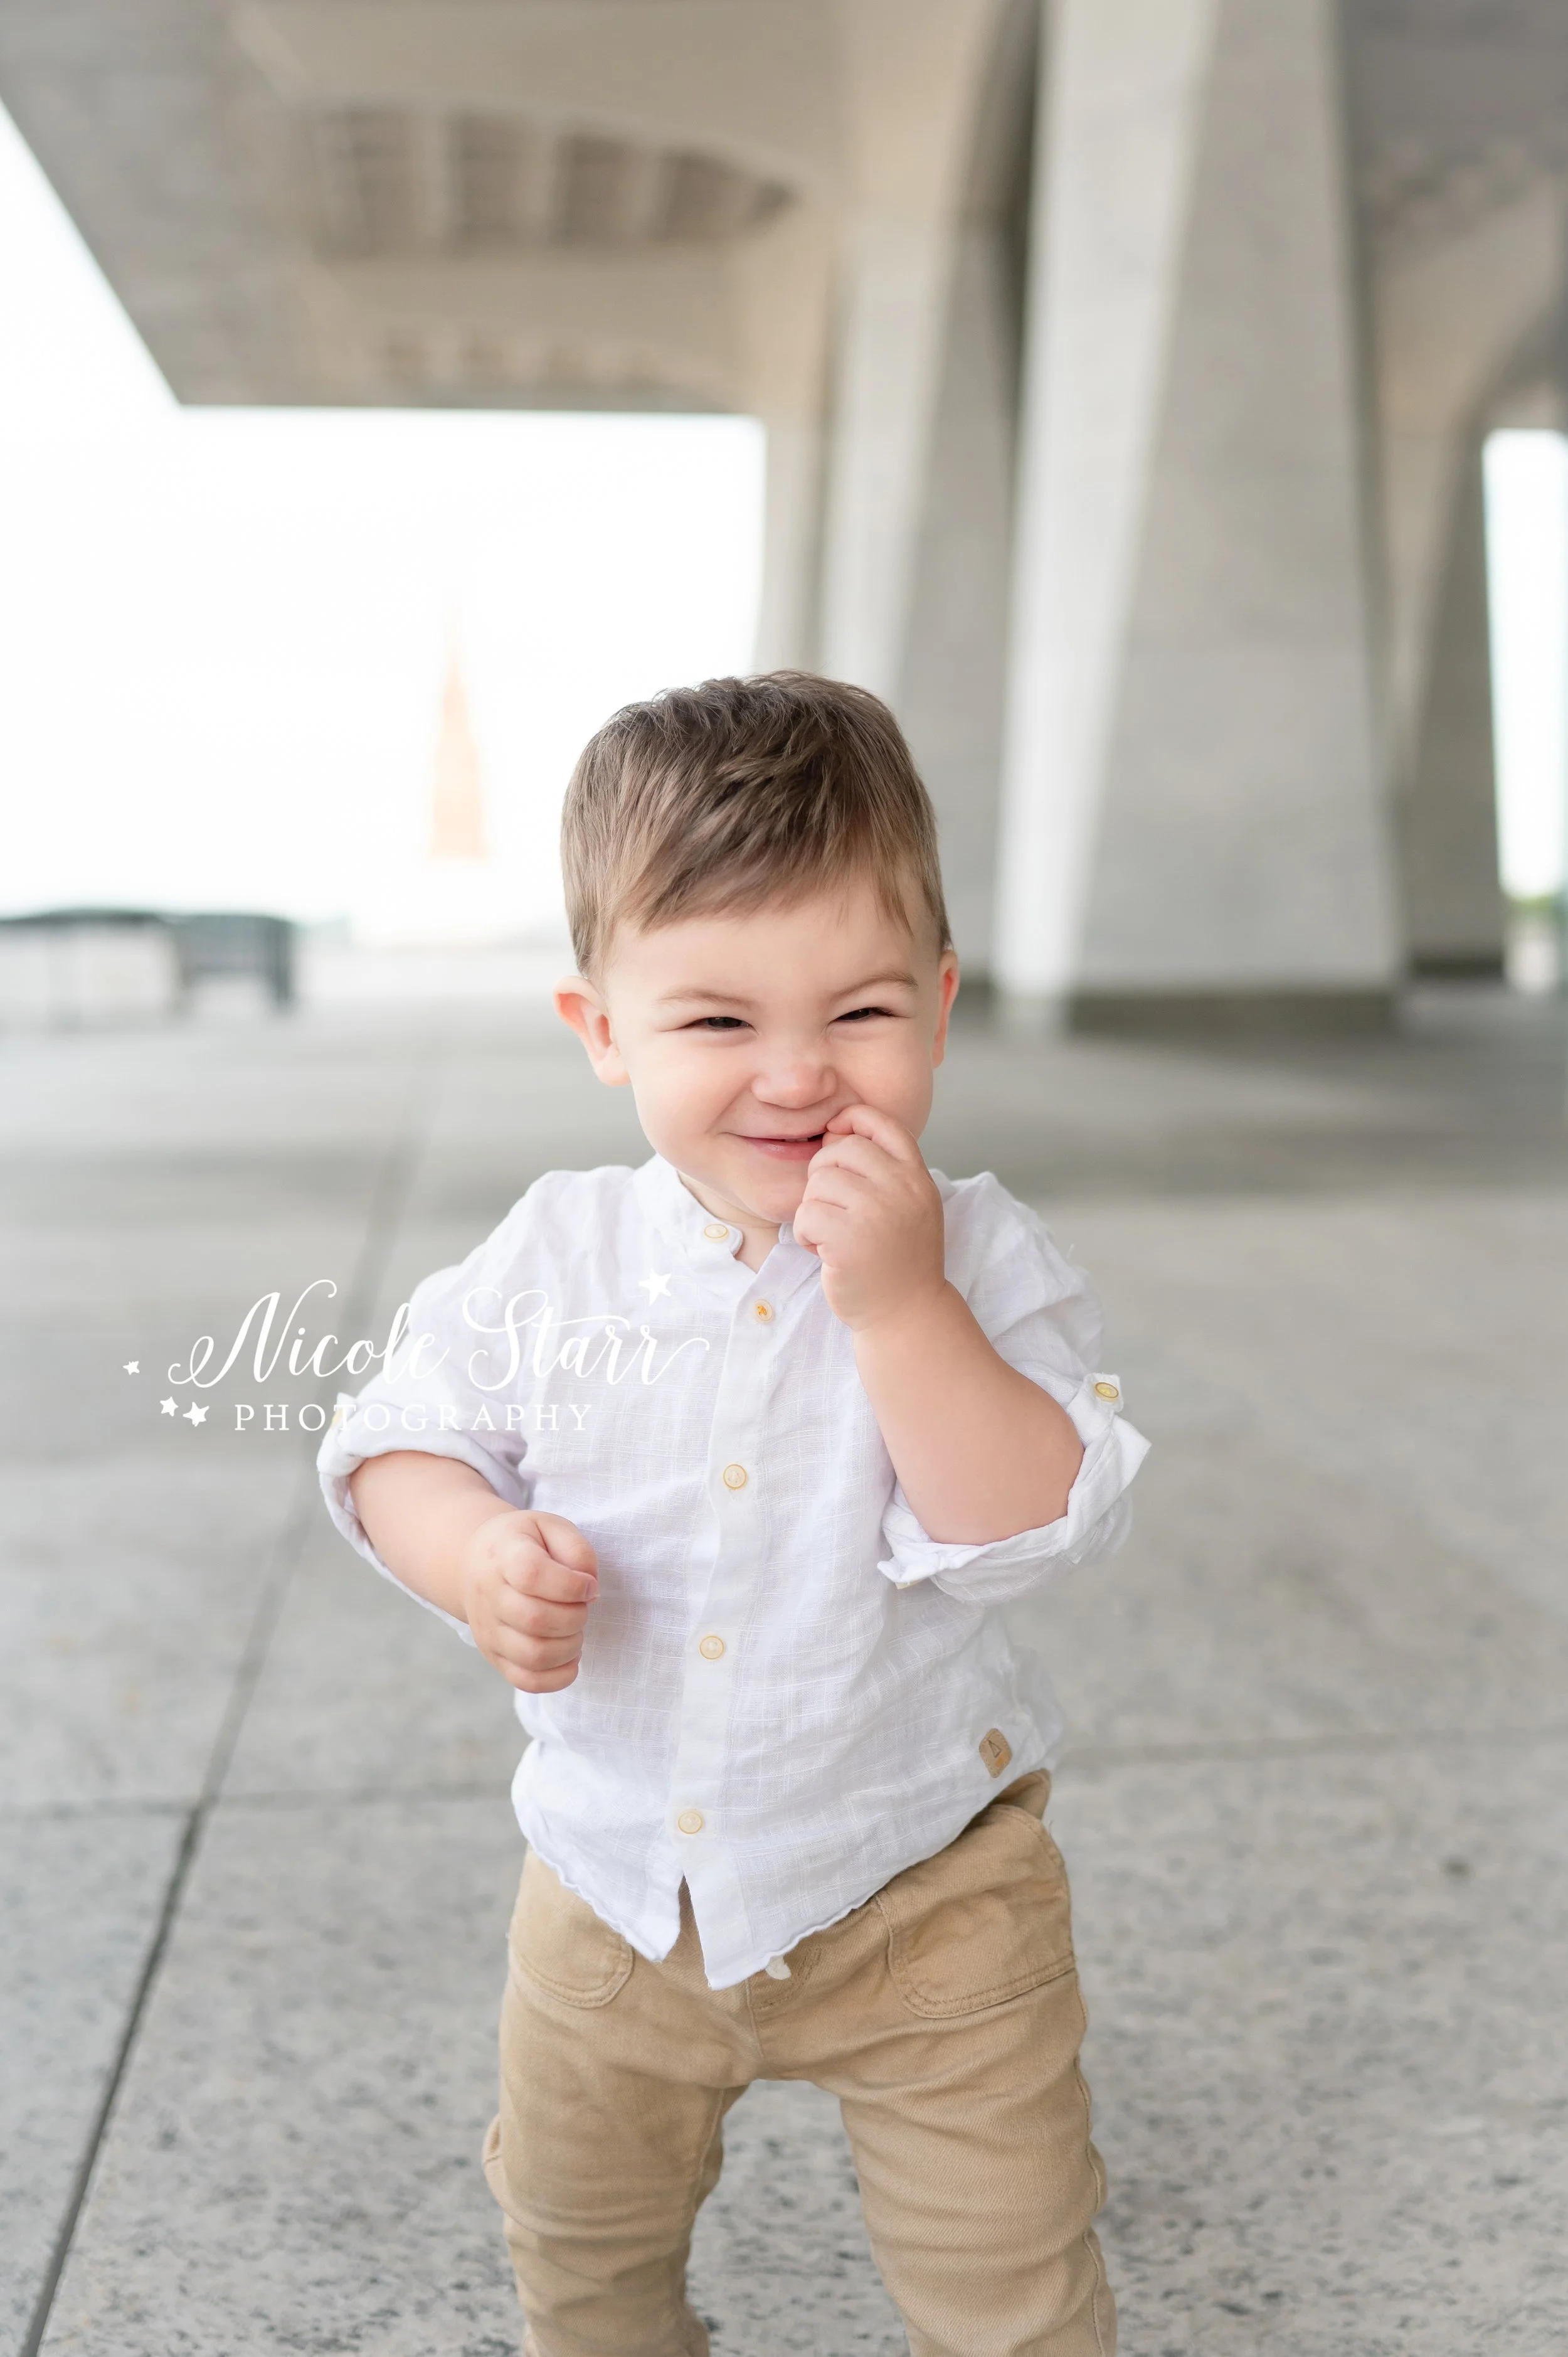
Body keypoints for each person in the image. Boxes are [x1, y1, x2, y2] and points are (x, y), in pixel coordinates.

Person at [317, 671, 1148, 2357]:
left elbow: (1029, 1524)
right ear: (601, 1028)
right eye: (714, 1022)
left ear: (937, 1001)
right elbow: (393, 1440)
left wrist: (902, 1305)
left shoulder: (974, 1253)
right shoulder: (555, 1254)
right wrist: (472, 1549)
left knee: (1009, 2263)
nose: (795, 1078)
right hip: (614, 1892)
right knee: (581, 2243)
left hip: (925, 1887)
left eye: (857, 1015)